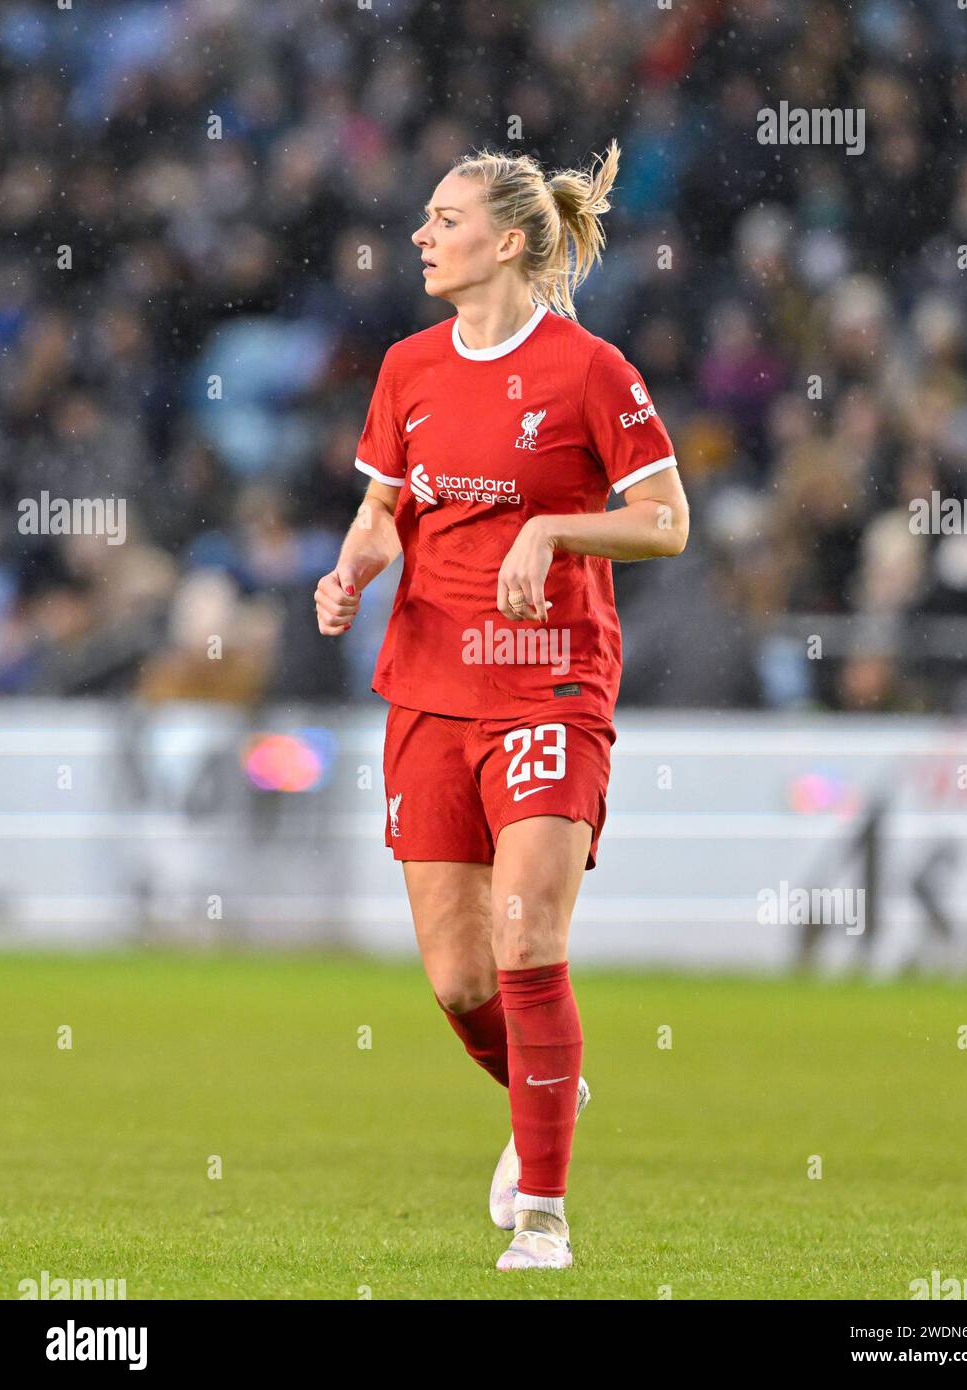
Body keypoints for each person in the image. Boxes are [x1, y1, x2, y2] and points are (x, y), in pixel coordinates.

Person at [314, 141, 688, 1269]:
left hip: (549, 682)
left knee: (528, 939)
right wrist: (353, 567)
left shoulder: (590, 369)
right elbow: (385, 507)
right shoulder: (406, 368)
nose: (421, 236)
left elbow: (666, 520)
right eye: (424, 219)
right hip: (427, 687)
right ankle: (551, 1087)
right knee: (458, 977)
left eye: (443, 218)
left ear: (508, 241)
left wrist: (550, 525)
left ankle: (543, 1221)